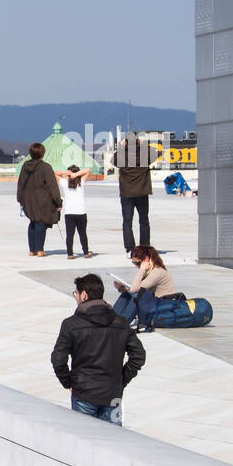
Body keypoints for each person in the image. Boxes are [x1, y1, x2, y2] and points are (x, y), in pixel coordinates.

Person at [51, 272, 146, 425]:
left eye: (76, 293)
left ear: (84, 295)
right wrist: (121, 380)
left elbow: (58, 359)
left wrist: (68, 383)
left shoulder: (71, 324)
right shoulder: (120, 323)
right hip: (113, 394)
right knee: (114, 443)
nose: (76, 297)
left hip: (84, 394)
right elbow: (139, 356)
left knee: (84, 441)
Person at [113, 245, 179, 332]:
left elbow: (136, 289)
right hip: (154, 301)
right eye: (134, 263)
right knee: (126, 294)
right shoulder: (150, 270)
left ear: (146, 259)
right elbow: (137, 288)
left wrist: (142, 269)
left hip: (162, 305)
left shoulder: (157, 272)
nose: (136, 266)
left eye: (137, 263)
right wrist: (123, 288)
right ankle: (112, 319)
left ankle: (121, 324)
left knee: (137, 297)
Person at [16, 142, 61, 257]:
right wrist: (58, 201)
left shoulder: (25, 166)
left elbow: (20, 183)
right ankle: (39, 249)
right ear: (42, 153)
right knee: (41, 222)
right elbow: (52, 186)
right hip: (42, 200)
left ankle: (32, 250)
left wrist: (20, 198)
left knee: (32, 222)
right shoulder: (45, 167)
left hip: (28, 199)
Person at [117, 137, 152, 253]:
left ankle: (130, 249)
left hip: (127, 194)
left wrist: (121, 146)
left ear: (126, 143)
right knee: (144, 221)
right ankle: (145, 247)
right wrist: (143, 144)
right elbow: (157, 153)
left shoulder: (122, 156)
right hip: (142, 192)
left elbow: (114, 160)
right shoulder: (144, 156)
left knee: (127, 222)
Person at [54, 163, 92, 259]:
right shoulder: (81, 182)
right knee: (82, 233)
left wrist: (66, 173)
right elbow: (87, 170)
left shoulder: (64, 183)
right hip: (81, 212)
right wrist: (77, 174)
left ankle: (70, 254)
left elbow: (56, 173)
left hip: (69, 213)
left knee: (70, 234)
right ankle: (86, 252)